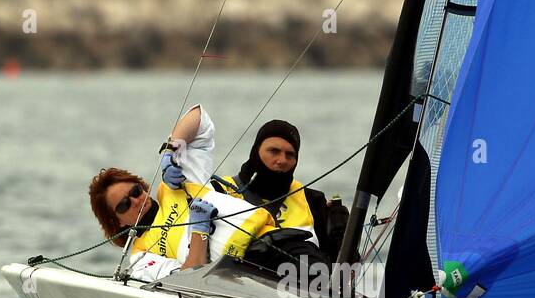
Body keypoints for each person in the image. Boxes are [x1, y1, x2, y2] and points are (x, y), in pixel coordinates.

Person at [87, 105, 277, 281]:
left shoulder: (176, 183)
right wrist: (199, 231)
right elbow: (187, 279)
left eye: (136, 191)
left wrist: (169, 152)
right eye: (124, 205)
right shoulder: (141, 258)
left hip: (274, 241)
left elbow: (198, 117)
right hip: (246, 277)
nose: (136, 201)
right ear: (116, 221)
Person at [212, 120, 350, 268]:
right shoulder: (218, 191)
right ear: (256, 151)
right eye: (274, 151)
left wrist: (343, 238)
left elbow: (345, 274)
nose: (282, 160)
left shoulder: (313, 201)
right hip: (227, 280)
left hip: (300, 281)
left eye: (290, 155)